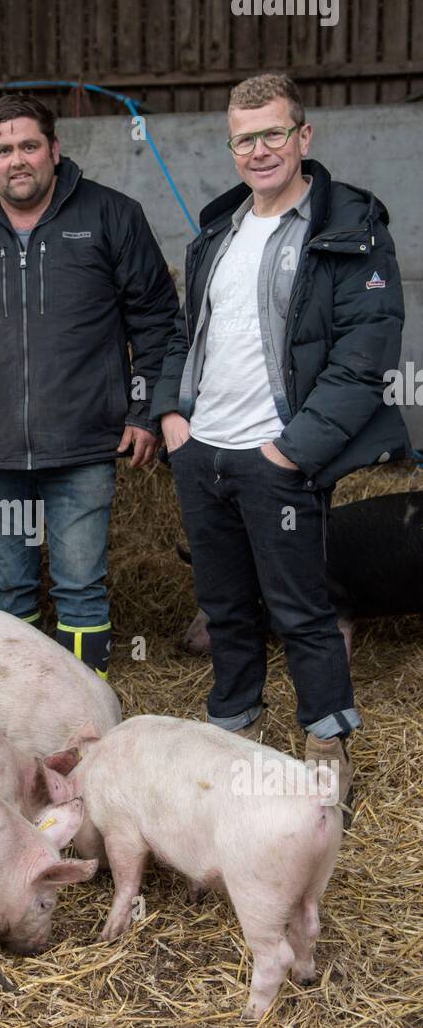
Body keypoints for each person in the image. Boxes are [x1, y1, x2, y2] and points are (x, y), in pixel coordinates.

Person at [151, 72, 410, 812]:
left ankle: (326, 744)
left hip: (277, 456)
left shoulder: (350, 228)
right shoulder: (218, 232)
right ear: (230, 146)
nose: (258, 150)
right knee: (225, 604)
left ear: (304, 136)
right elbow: (183, 332)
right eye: (244, 138)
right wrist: (174, 418)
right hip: (204, 455)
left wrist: (292, 451)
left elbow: (366, 355)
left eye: (272, 133)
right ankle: (234, 730)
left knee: (302, 609)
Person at [0, 93, 179, 677]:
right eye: (3, 149)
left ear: (54, 150)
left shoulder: (112, 216)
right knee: (9, 589)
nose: (17, 160)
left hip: (83, 444)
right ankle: (20, 712)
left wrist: (142, 412)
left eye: (29, 145)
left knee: (81, 586)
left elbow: (156, 319)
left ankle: (87, 710)